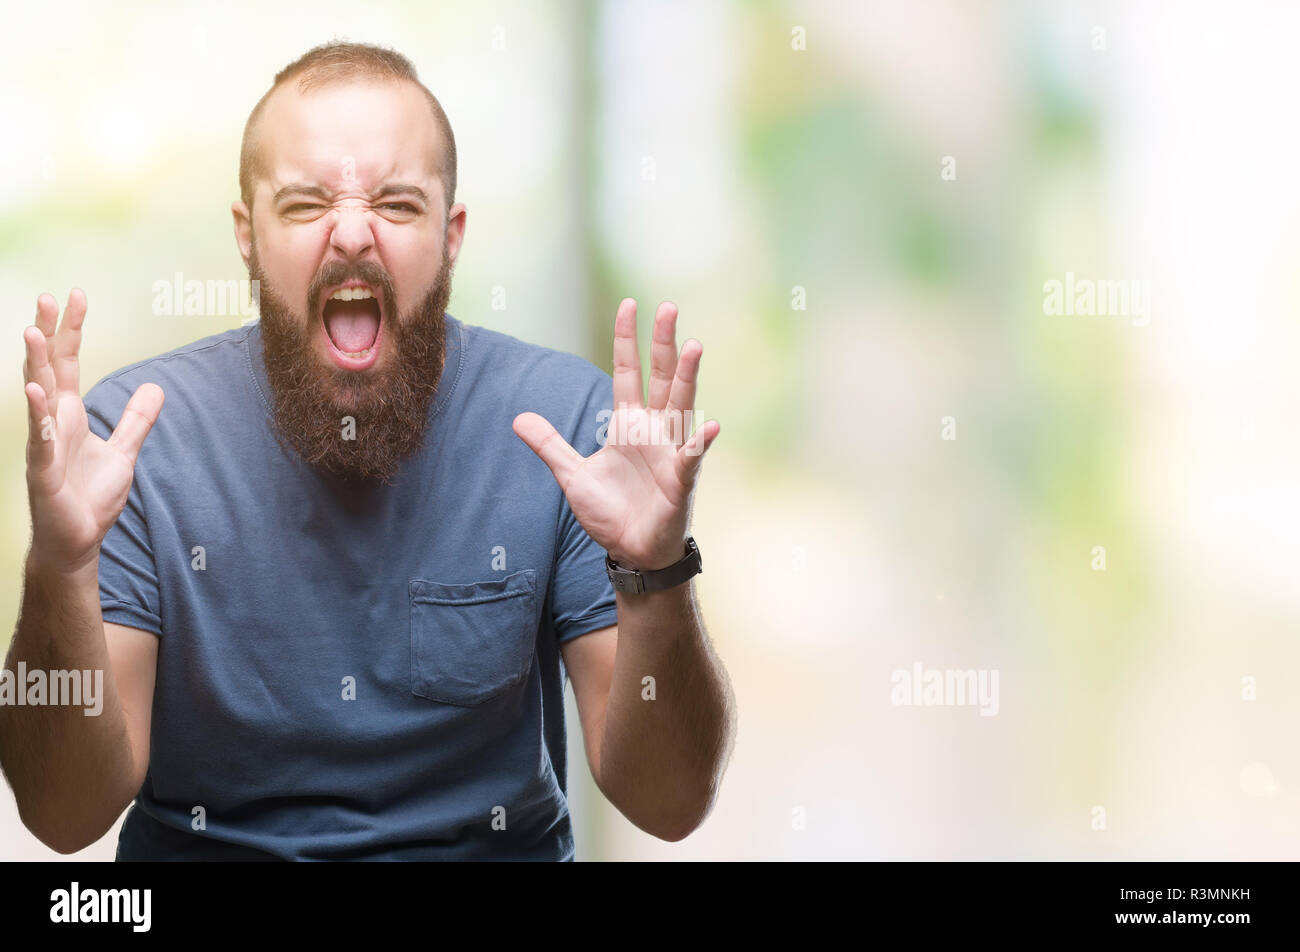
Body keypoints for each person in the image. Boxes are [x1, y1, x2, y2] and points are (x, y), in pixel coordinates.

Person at [0, 41, 736, 861]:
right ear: (247, 235)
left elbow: (669, 803)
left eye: (396, 204)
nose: (351, 234)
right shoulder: (137, 441)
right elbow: (62, 817)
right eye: (307, 205)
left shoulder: (566, 429)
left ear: (451, 236)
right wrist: (60, 565)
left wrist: (658, 572)